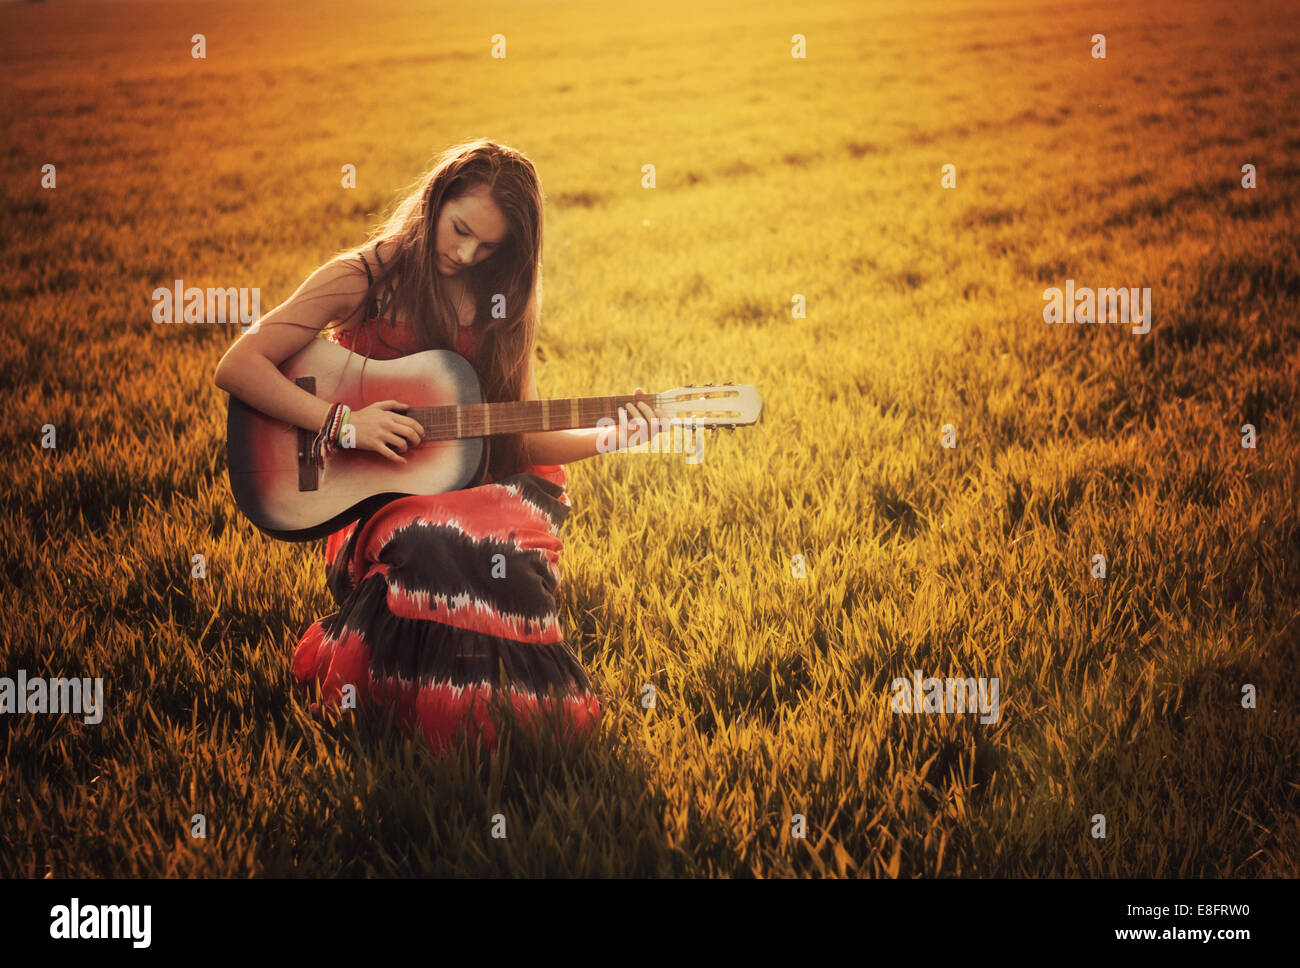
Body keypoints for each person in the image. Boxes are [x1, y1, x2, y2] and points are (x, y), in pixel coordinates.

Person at [214, 138, 668, 756]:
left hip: (475, 484)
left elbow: (520, 434)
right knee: (436, 537)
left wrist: (610, 437)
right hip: (372, 498)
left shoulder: (497, 304)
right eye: (459, 230)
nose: (464, 253)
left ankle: (513, 727)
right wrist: (343, 424)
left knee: (499, 537)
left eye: (488, 246)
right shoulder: (364, 276)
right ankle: (409, 719)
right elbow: (240, 364)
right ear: (435, 199)